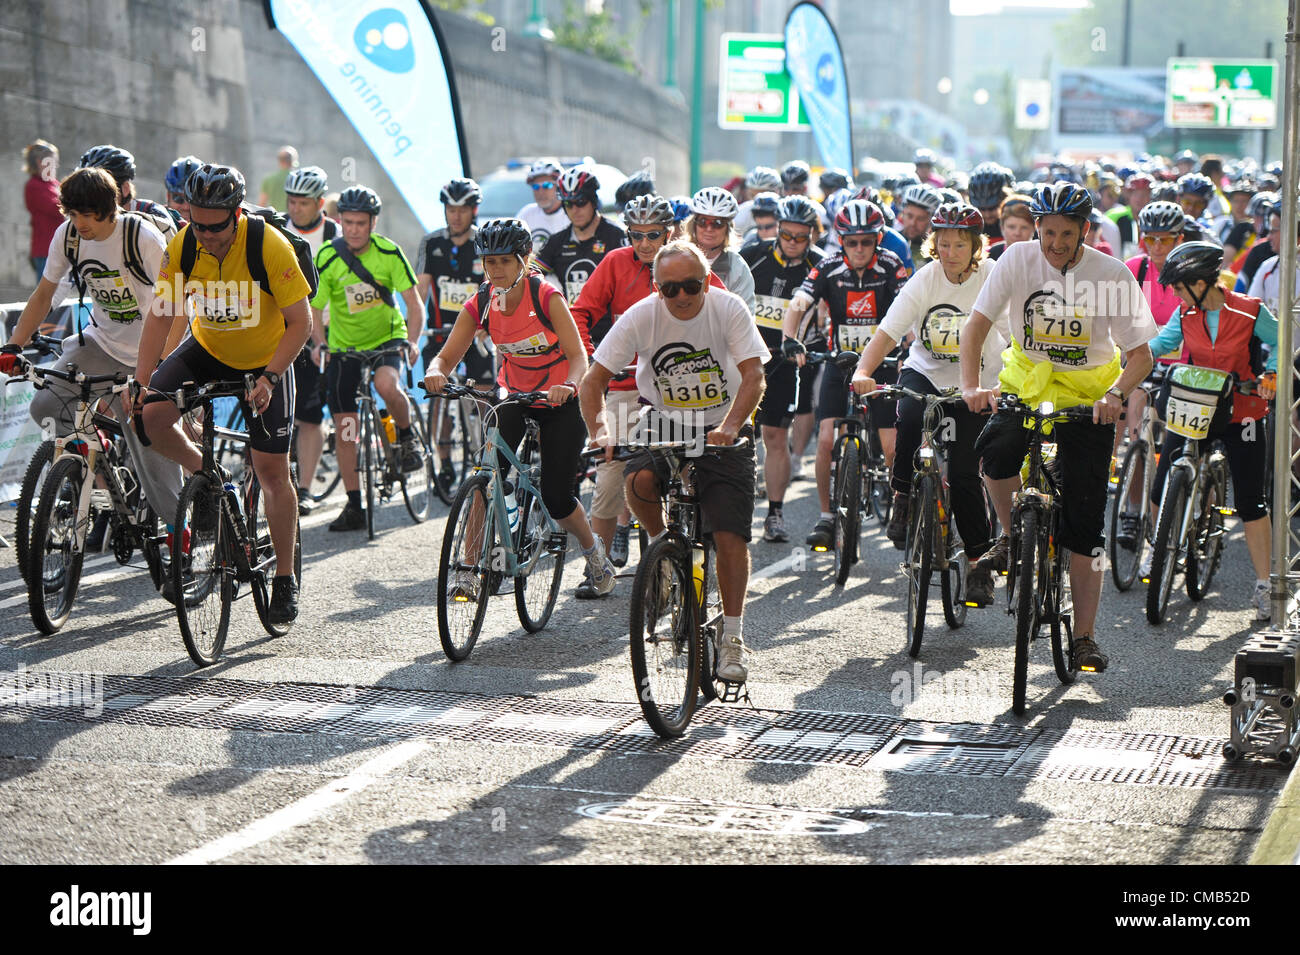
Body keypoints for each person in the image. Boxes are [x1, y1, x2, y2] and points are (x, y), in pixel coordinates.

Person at [959, 182, 1156, 674]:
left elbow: (1141, 356)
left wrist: (1114, 396)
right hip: (1026, 384)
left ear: (1085, 230)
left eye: (1067, 235)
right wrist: (969, 386)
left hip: (1089, 399)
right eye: (1048, 233)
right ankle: (1009, 535)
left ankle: (1084, 637)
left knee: (1084, 524)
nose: (1055, 245)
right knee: (996, 452)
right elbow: (976, 326)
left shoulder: (1110, 274)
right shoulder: (1016, 258)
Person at [580, 240, 768, 682]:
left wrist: (732, 425)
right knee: (638, 480)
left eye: (691, 286)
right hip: (665, 421)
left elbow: (754, 375)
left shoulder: (728, 308)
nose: (682, 297)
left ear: (705, 281)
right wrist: (600, 431)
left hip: (724, 422)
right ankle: (663, 550)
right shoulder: (642, 315)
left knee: (728, 532)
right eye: (670, 289)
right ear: (656, 287)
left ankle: (733, 637)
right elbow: (593, 381)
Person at [136, 163, 310, 624]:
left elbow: (302, 323)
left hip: (266, 359)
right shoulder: (184, 244)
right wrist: (141, 380)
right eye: (197, 223)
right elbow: (160, 315)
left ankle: (285, 577)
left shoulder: (266, 244)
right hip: (209, 347)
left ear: (236, 213)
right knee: (150, 418)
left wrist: (271, 378)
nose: (206, 235)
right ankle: (209, 476)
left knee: (271, 470)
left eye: (216, 226)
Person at [3, 166, 184, 567]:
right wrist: (14, 345)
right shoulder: (67, 236)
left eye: (87, 215)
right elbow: (44, 294)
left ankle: (179, 530)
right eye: (72, 213)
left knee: (151, 449)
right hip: (101, 343)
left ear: (110, 209)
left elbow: (179, 307)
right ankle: (88, 466)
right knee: (46, 406)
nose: (79, 223)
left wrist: (158, 371)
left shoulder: (141, 238)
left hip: (149, 353)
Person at [426, 217, 616, 599]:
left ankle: (595, 555)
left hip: (560, 397)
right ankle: (468, 569)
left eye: (504, 262)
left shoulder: (546, 297)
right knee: (487, 473)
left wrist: (568, 386)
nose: (495, 270)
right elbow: (445, 357)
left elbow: (579, 358)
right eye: (488, 262)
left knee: (557, 496)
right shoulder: (481, 301)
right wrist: (435, 373)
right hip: (513, 392)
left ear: (524, 259)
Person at [850, 201, 1004, 602]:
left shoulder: (992, 277)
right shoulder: (924, 279)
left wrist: (1009, 384)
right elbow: (888, 332)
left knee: (967, 476)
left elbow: (1015, 335)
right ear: (934, 245)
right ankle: (902, 497)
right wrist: (863, 372)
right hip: (927, 373)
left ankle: (978, 565)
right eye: (945, 244)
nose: (951, 252)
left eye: (960, 244)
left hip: (977, 384)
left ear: (976, 246)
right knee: (909, 413)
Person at [569, 194, 725, 574]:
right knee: (608, 479)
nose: (643, 244)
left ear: (670, 232)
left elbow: (724, 315)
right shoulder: (615, 263)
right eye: (634, 235)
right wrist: (594, 359)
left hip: (679, 391)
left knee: (696, 470)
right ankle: (598, 568)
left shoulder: (688, 264)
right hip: (624, 388)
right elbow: (580, 312)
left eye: (652, 235)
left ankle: (696, 548)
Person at [1145, 242, 1277, 620]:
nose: (1174, 293)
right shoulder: (1185, 312)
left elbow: (1282, 340)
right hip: (1195, 408)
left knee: (1251, 500)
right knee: (1161, 485)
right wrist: (1131, 356)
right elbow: (1161, 344)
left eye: (1179, 285)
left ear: (1202, 283)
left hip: (1244, 411)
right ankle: (1158, 554)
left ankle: (1265, 585)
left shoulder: (1250, 310)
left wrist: (1272, 373)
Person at [781, 199, 908, 550]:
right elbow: (799, 303)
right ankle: (825, 516)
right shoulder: (828, 267)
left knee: (891, 445)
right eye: (851, 242)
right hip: (841, 362)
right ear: (841, 241)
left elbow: (908, 312)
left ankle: (900, 504)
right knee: (824, 440)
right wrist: (789, 339)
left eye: (867, 241)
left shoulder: (891, 266)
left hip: (881, 364)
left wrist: (908, 347)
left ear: (878, 239)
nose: (859, 249)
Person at [309, 185, 423, 531]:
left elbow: (414, 305)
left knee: (386, 383)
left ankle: (405, 437)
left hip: (387, 339)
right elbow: (313, 309)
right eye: (348, 222)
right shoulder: (328, 256)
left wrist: (414, 341)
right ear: (339, 220)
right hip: (344, 348)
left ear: (373, 222)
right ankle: (355, 504)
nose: (354, 229)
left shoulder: (389, 253)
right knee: (346, 430)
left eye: (361, 222)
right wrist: (318, 344)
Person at [742, 196, 824, 543]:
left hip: (788, 361)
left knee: (775, 436)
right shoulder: (752, 256)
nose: (791, 242)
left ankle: (774, 513)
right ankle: (734, 508)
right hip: (746, 358)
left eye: (799, 237)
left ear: (812, 236)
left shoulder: (820, 265)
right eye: (785, 234)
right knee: (735, 437)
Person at [415, 177, 491, 490]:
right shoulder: (431, 243)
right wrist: (414, 327)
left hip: (478, 331)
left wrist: (489, 327)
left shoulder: (483, 240)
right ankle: (443, 461)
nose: (455, 215)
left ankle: (489, 453)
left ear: (473, 211)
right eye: (450, 209)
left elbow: (493, 286)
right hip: (440, 331)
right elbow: (420, 290)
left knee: (485, 393)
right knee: (438, 392)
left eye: (462, 209)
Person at [281, 164, 339, 513]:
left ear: (319, 202)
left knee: (313, 413)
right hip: (290, 329)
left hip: (332, 330)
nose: (295, 208)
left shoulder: (335, 233)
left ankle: (303, 488)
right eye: (291, 201)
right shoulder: (279, 231)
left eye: (302, 202)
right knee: (298, 412)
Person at [535, 166, 627, 305]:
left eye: (581, 202)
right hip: (574, 322)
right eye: (568, 204)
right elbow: (530, 276)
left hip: (611, 325)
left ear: (594, 201)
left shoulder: (616, 235)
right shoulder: (556, 241)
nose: (575, 210)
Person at [78, 145, 176, 240]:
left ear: (125, 189)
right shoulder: (78, 221)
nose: (91, 199)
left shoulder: (154, 216)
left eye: (101, 191)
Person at [685, 186, 755, 312]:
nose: (709, 229)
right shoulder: (678, 257)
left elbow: (745, 316)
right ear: (693, 224)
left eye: (717, 223)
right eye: (702, 222)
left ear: (728, 228)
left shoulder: (738, 267)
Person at [23, 140, 62, 281]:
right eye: (53, 161)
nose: (56, 165)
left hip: (58, 247)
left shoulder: (54, 184)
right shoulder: (34, 186)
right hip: (45, 249)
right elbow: (56, 209)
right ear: (41, 162)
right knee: (46, 295)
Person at [516, 158, 569, 253]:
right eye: (535, 186)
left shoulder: (571, 215)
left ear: (558, 186)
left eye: (547, 185)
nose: (540, 192)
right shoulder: (526, 214)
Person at [896, 184, 943, 270]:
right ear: (903, 212)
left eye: (921, 219)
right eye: (909, 216)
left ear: (931, 221)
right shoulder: (889, 242)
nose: (913, 223)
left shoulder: (937, 252)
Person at [733, 166, 782, 235]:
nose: (758, 201)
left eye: (764, 195)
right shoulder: (741, 213)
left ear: (778, 191)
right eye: (753, 195)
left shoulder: (786, 211)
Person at [991, 195, 1034, 260]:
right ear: (1002, 227)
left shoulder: (1043, 255)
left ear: (1034, 228)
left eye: (1024, 227)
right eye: (1011, 227)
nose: (1017, 233)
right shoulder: (991, 254)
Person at [163, 155, 203, 224]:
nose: (186, 207)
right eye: (178, 198)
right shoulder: (153, 227)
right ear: (168, 196)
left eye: (192, 200)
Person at [258, 145, 298, 211]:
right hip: (293, 219)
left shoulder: (268, 179)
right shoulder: (298, 179)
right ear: (293, 161)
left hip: (276, 219)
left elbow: (261, 205)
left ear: (279, 161)